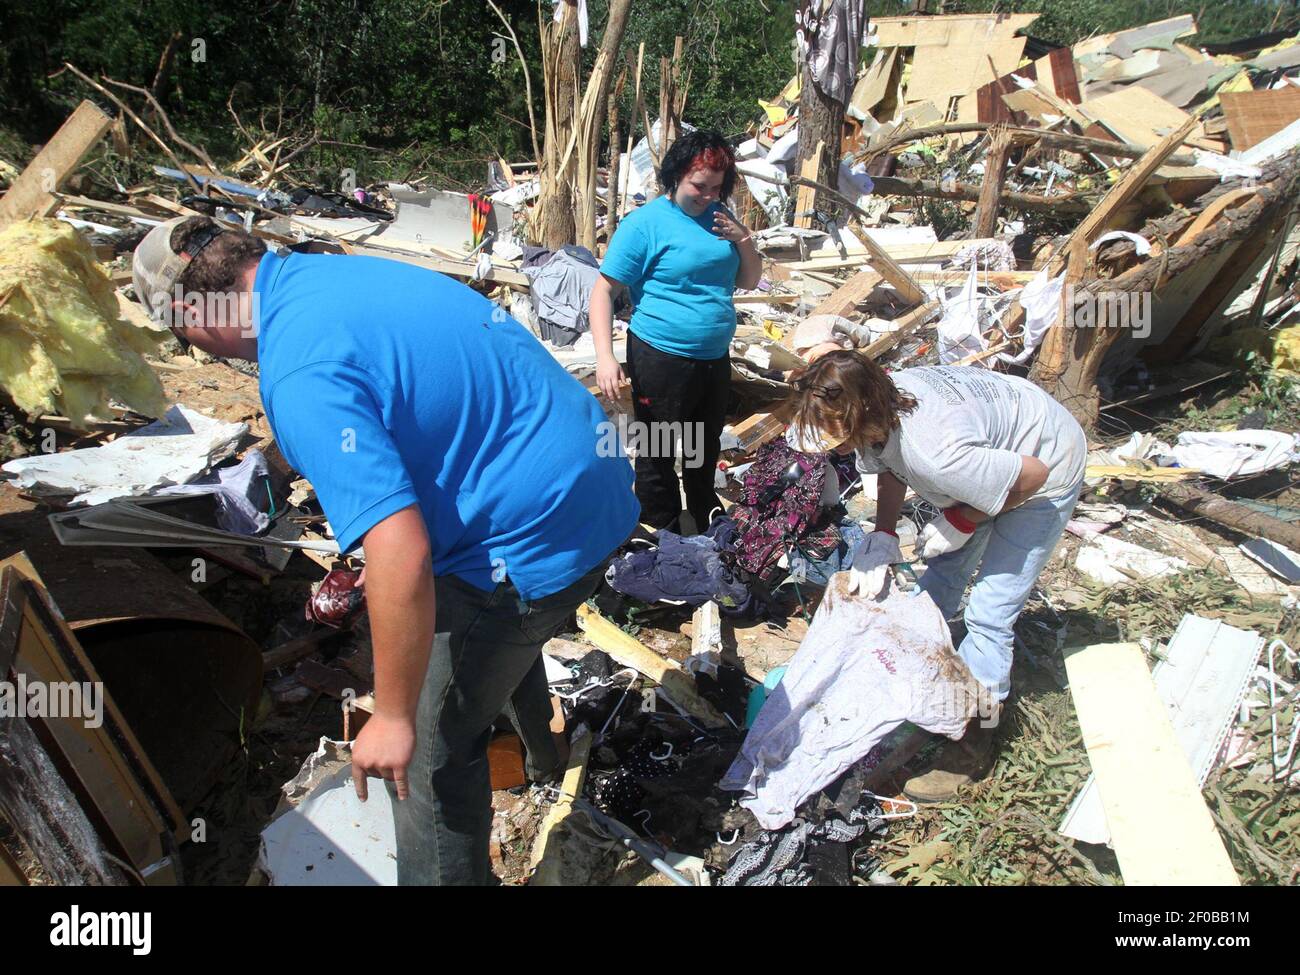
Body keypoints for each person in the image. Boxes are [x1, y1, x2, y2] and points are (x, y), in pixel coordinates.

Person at [132, 215, 640, 884]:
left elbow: (399, 548)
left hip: (532, 533)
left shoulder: (296, 370)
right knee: (492, 637)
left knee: (428, 755)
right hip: (597, 484)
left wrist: (395, 715)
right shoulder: (333, 273)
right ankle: (543, 755)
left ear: (193, 313)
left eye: (184, 338)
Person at [785, 352, 1087, 801]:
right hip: (991, 453)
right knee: (938, 585)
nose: (833, 444)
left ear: (860, 412)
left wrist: (964, 519)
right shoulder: (872, 402)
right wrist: (884, 533)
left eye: (834, 433)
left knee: (990, 610)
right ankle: (926, 687)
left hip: (1043, 466)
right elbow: (889, 464)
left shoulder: (939, 454)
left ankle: (972, 740)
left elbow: (1033, 476)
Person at [589, 129, 763, 532]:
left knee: (704, 444)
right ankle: (659, 528)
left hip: (713, 357)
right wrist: (605, 356)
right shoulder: (645, 225)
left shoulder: (722, 220)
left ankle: (706, 519)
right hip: (661, 356)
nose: (706, 196)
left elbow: (751, 281)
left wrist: (744, 240)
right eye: (698, 187)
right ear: (675, 177)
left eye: (716, 188)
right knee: (659, 447)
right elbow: (603, 290)